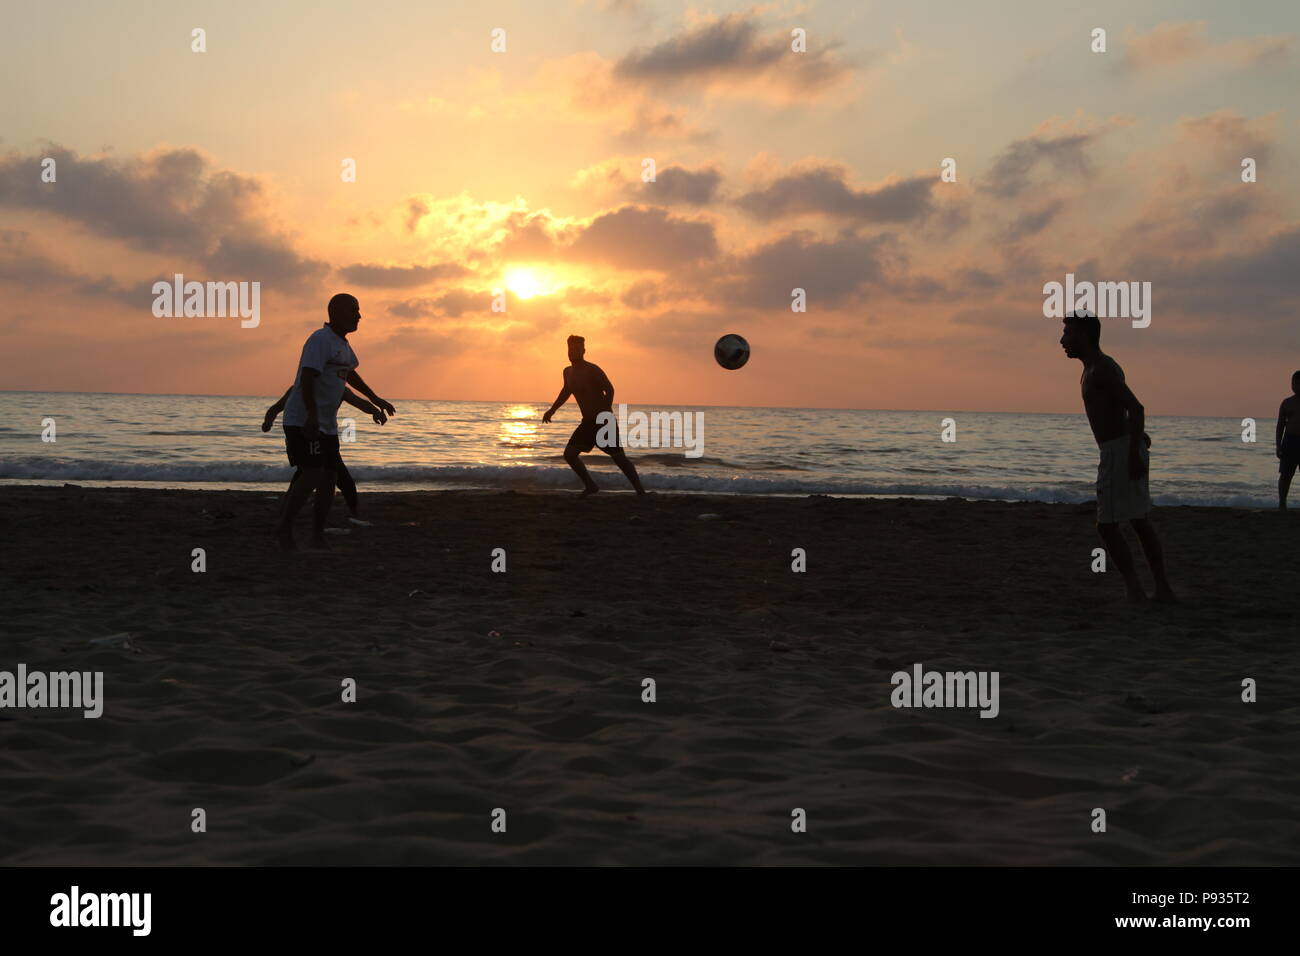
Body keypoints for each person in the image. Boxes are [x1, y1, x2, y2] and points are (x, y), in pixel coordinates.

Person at [1060, 312, 1175, 602]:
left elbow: (1136, 408)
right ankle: (1160, 588)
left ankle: (1137, 589)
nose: (1062, 340)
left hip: (1118, 452)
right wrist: (1134, 438)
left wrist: (1132, 449)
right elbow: (1122, 411)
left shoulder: (1101, 369)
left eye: (1068, 333)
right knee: (1137, 519)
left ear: (1083, 335)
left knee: (1108, 525)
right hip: (1121, 447)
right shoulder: (1094, 368)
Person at [275, 293, 396, 550]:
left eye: (358, 310)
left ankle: (317, 534)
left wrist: (376, 400)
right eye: (354, 310)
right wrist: (311, 416)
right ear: (337, 313)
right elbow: (306, 378)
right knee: (311, 476)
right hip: (303, 420)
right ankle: (284, 529)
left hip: (326, 425)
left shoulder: (342, 345)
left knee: (330, 479)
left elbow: (350, 374)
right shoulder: (320, 340)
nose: (359, 316)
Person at [263, 385, 387, 522]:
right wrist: (268, 422)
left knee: (343, 479)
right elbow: (276, 408)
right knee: (305, 476)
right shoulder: (300, 387)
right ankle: (285, 516)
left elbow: (359, 402)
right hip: (305, 436)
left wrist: (375, 411)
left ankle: (355, 512)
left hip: (328, 436)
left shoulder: (339, 387)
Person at [542, 334, 646, 495]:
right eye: (570, 348)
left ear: (583, 350)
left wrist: (605, 410)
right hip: (587, 422)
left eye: (577, 348)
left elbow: (609, 389)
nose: (573, 351)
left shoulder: (592, 369)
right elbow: (566, 391)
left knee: (619, 458)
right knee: (569, 454)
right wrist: (552, 410)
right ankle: (591, 486)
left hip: (604, 421)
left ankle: (640, 492)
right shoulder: (567, 372)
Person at [1275, 371, 1300, 510]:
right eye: (1294, 383)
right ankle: (1282, 503)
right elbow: (1280, 426)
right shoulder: (1287, 403)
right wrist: (1278, 445)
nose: (1296, 386)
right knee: (1286, 474)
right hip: (1290, 441)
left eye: (1299, 383)